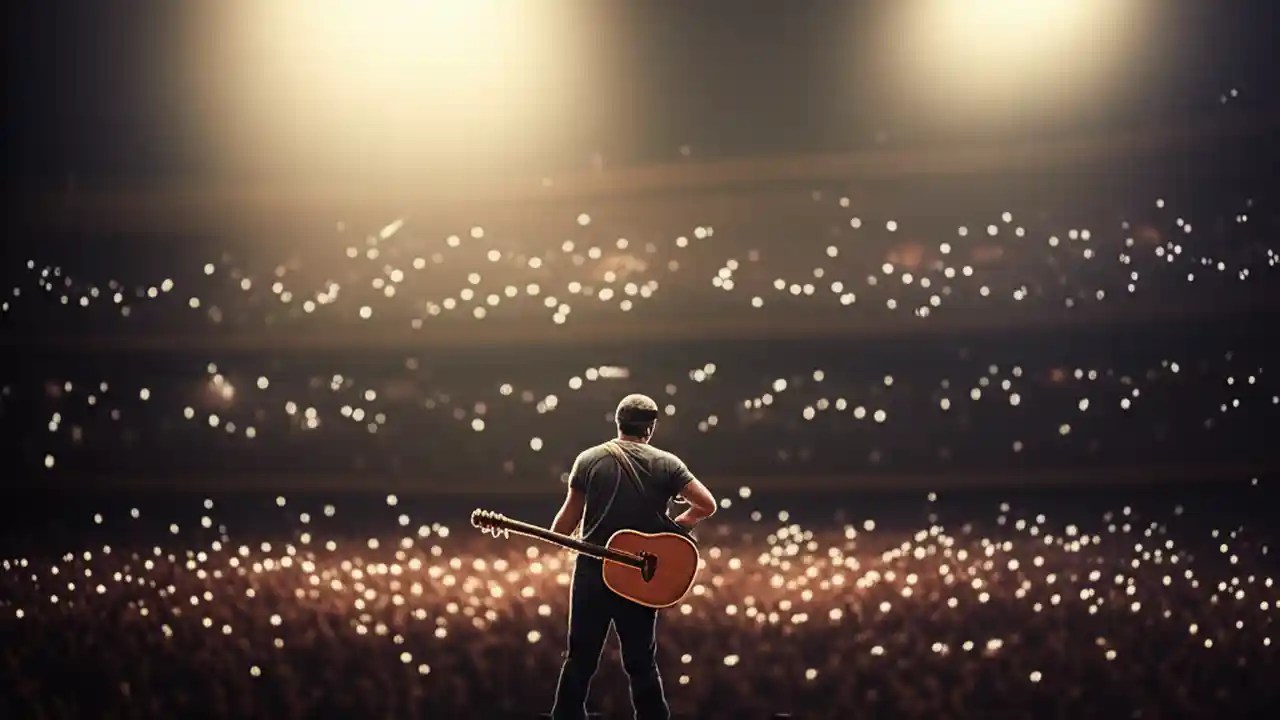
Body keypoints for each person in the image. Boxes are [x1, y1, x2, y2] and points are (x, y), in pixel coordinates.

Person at [548, 393, 717, 720]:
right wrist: (677, 528)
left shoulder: (589, 459)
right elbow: (706, 504)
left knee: (580, 657)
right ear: (650, 428)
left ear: (618, 422)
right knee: (641, 661)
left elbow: (562, 528)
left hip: (593, 573)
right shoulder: (668, 464)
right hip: (640, 576)